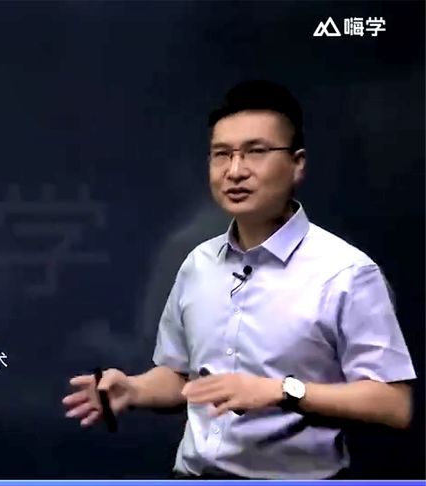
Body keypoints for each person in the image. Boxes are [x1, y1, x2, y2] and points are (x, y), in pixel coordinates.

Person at [62, 80, 416, 479]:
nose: (235, 171)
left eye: (256, 152)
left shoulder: (347, 272)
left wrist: (283, 390)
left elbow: (393, 404)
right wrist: (135, 389)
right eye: (222, 155)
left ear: (297, 164)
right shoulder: (197, 263)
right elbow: (181, 377)